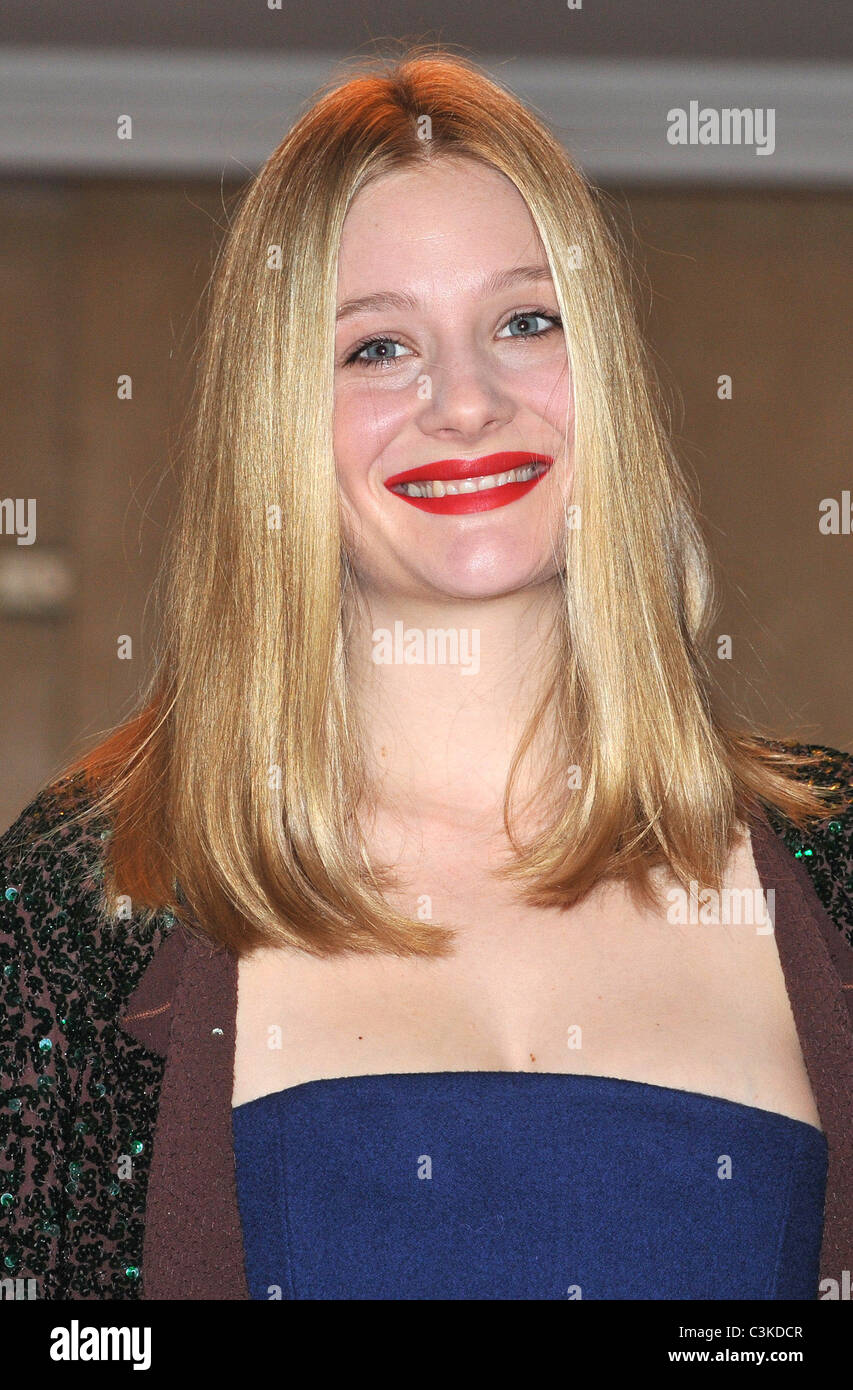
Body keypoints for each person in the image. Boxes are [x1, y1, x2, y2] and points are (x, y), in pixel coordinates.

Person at [1, 49, 851, 1303]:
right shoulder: (90, 896)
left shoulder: (833, 861)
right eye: (377, 347)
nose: (465, 400)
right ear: (274, 418)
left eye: (524, 321)